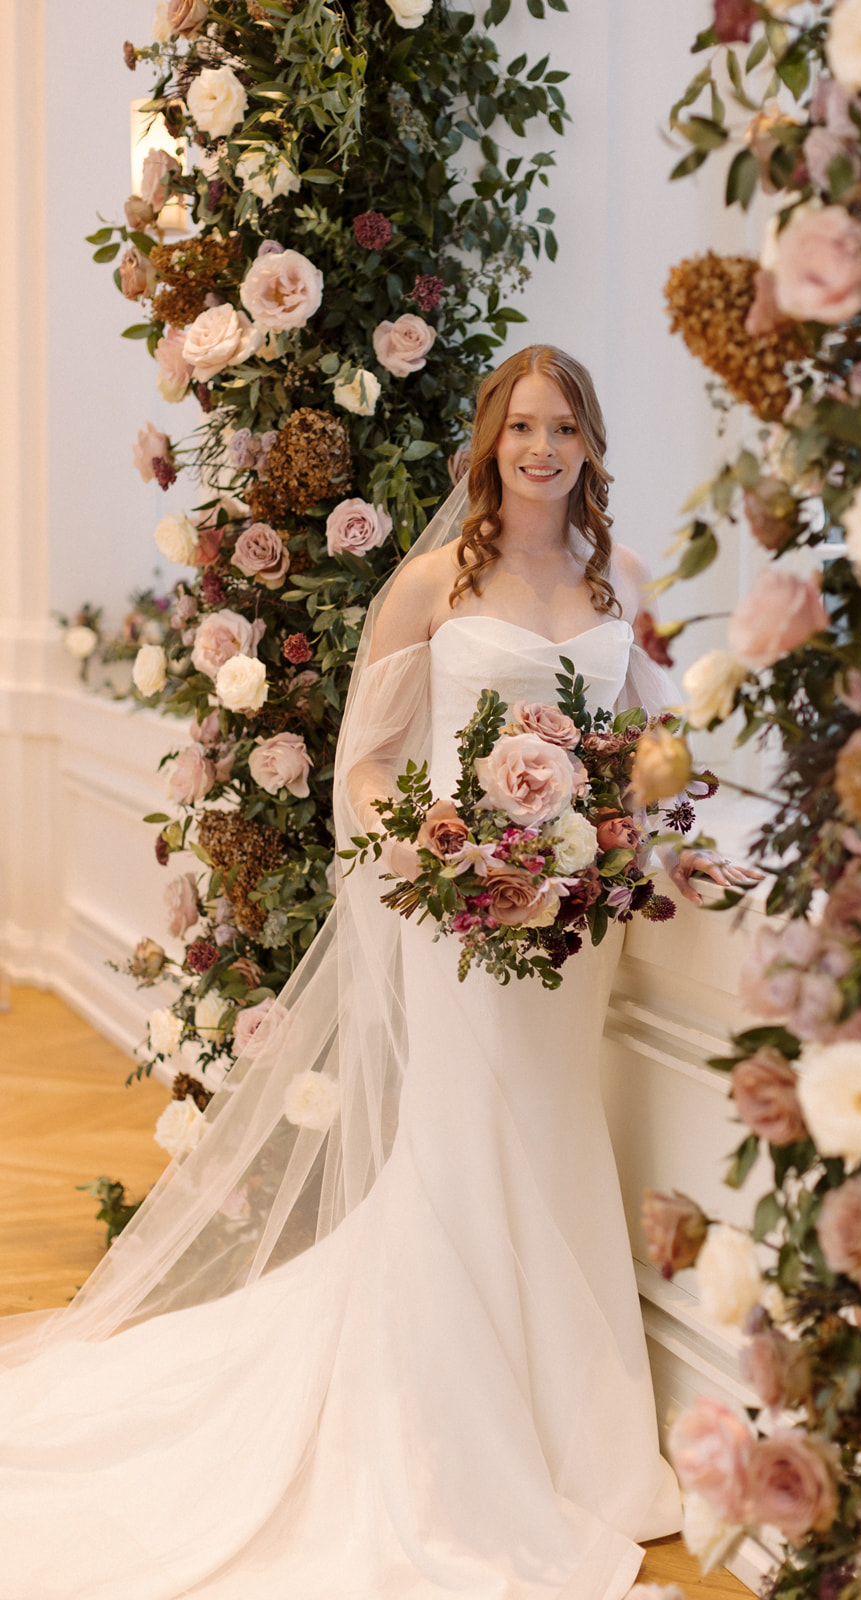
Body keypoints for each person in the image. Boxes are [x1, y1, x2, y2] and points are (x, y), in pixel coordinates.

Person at [0, 346, 755, 1600]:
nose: (542, 449)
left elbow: (655, 746)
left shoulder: (619, 577)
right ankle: (455, 1436)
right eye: (522, 427)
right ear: (489, 440)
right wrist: (439, 846)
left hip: (573, 922)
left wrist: (652, 841)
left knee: (552, 1133)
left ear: (590, 442)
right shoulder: (431, 583)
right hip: (458, 919)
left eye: (564, 426)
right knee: (463, 1141)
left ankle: (570, 1432)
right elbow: (363, 765)